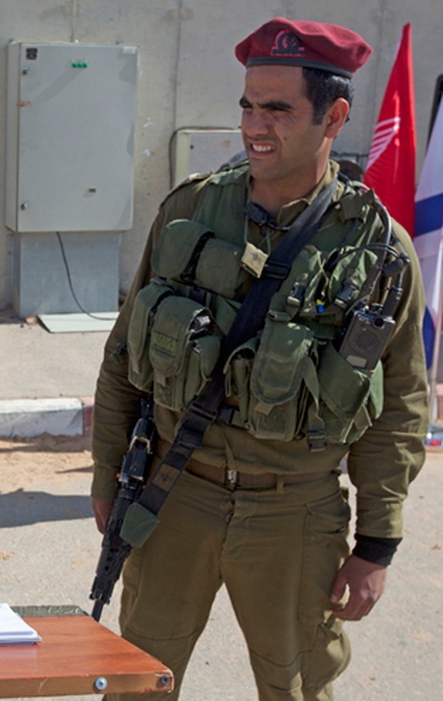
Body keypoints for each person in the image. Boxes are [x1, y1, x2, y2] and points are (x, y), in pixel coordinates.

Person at [90, 17, 428, 700]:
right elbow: (123, 353)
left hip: (295, 512)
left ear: (333, 115)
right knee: (136, 681)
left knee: (297, 684)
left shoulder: (381, 252)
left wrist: (376, 543)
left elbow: (399, 407)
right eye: (248, 104)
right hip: (173, 491)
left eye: (277, 108)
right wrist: (105, 477)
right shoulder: (191, 212)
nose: (254, 124)